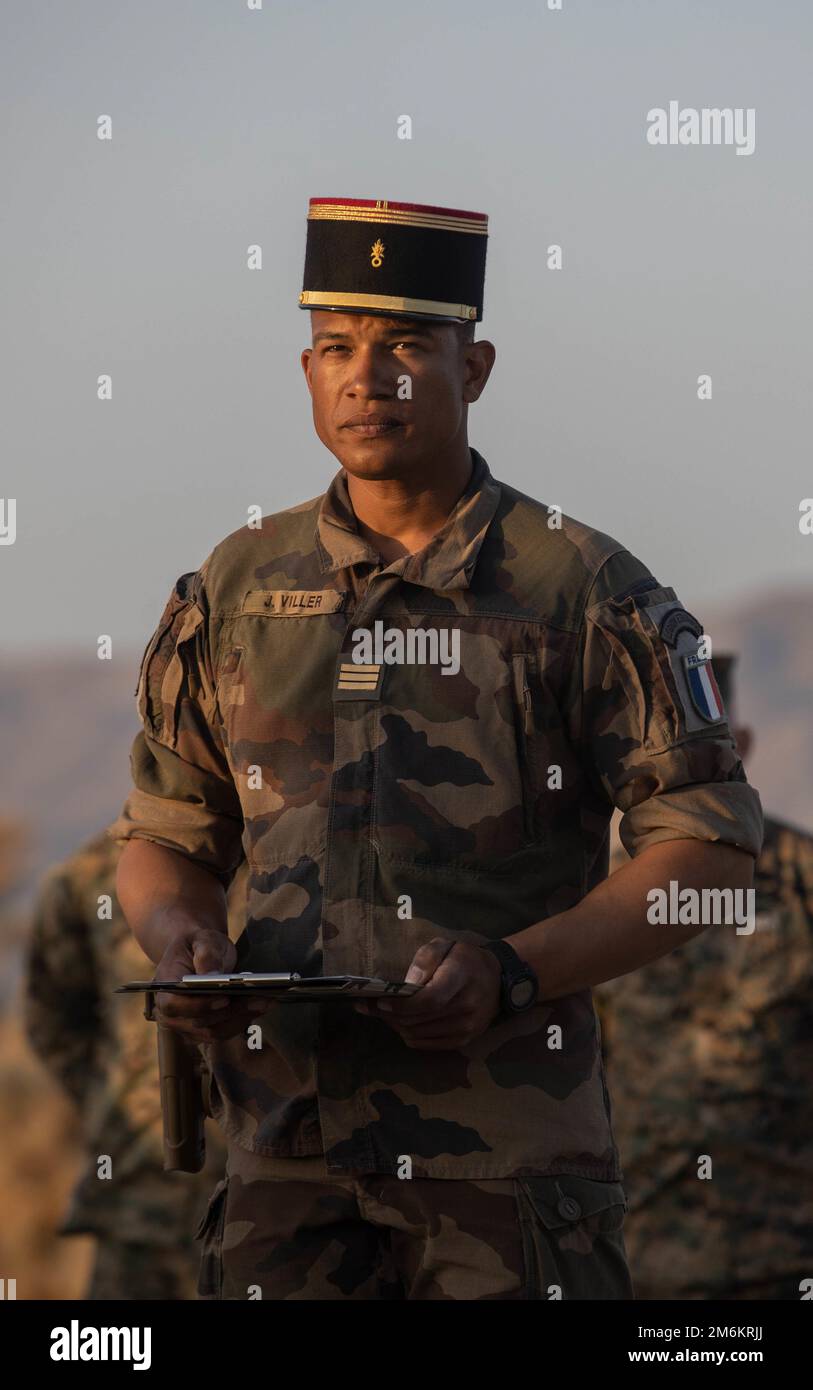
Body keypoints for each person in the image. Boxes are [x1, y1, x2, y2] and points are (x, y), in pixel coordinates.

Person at [110, 195, 762, 1301]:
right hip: (286, 1167)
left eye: (409, 344)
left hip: (505, 1179)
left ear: (477, 366)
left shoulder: (581, 589)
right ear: (307, 371)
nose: (369, 377)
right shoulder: (236, 586)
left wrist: (512, 970)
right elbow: (166, 835)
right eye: (337, 348)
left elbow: (708, 852)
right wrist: (182, 940)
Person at [595, 654, 813, 1300]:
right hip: (641, 1267)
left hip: (784, 1263)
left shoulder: (803, 888)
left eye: (703, 754)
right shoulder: (597, 909)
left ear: (740, 747)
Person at [24, 827, 246, 1299]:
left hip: (263, 1199)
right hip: (138, 1197)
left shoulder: (292, 868)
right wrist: (119, 1108)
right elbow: (54, 1018)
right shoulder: (92, 875)